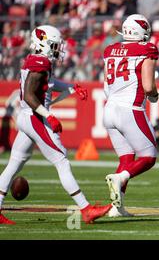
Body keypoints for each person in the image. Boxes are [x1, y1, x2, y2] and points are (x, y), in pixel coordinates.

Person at [0, 25, 111, 225]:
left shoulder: (39, 61)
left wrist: (71, 87)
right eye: (54, 45)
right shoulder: (40, 62)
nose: (58, 49)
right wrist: (48, 115)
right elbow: (31, 94)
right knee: (61, 161)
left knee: (14, 163)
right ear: (43, 43)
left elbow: (49, 83)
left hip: (27, 117)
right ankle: (86, 209)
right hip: (35, 116)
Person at [103, 14, 159, 217]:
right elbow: (148, 86)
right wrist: (154, 96)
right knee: (149, 157)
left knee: (126, 157)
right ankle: (121, 178)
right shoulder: (147, 49)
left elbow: (106, 87)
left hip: (109, 109)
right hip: (130, 108)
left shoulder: (110, 50)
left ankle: (116, 208)